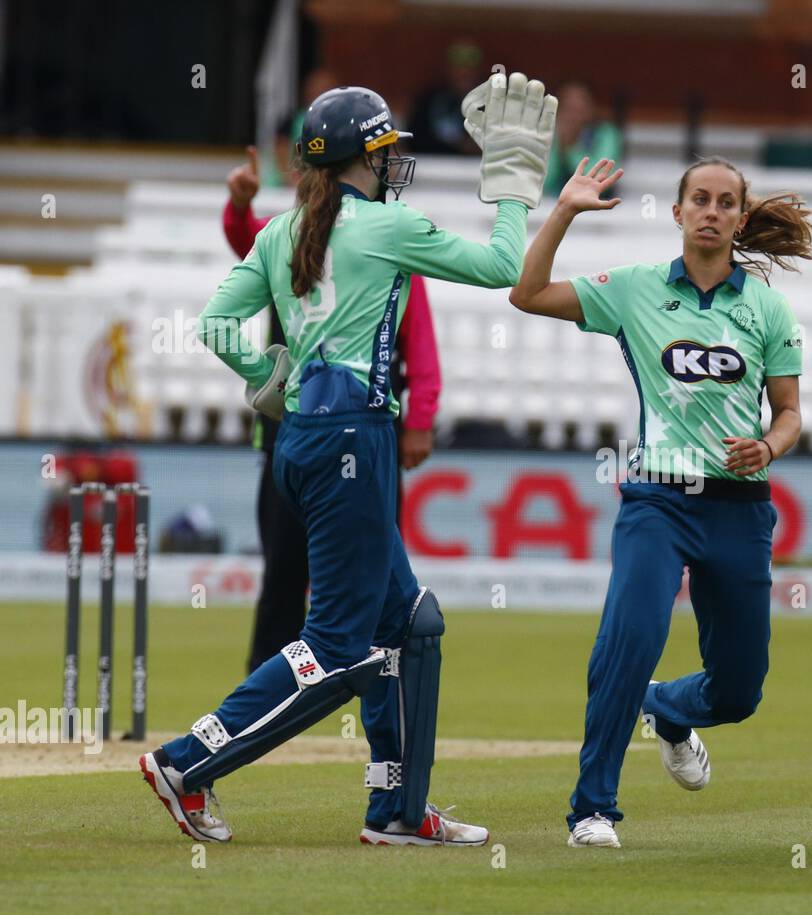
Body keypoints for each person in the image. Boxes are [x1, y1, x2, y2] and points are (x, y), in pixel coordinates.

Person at [140, 74, 557, 846]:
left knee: (411, 622)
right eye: (385, 151)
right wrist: (511, 184)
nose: (393, 164)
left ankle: (397, 810)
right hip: (355, 436)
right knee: (337, 644)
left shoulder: (280, 230)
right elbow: (504, 267)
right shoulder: (383, 228)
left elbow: (215, 323)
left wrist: (274, 378)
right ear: (363, 159)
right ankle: (186, 762)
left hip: (304, 436)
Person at [509, 155, 812, 849]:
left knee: (739, 692)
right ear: (678, 213)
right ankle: (593, 808)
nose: (711, 211)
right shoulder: (637, 288)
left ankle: (666, 710)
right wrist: (564, 212)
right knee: (631, 638)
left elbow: (791, 412)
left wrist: (768, 445)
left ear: (740, 217)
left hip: (740, 508)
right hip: (658, 500)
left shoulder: (767, 308)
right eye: (698, 199)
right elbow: (526, 294)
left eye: (725, 202)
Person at [223, 145, 443, 672]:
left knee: (366, 581)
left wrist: (420, 419)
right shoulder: (292, 234)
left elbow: (420, 340)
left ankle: (338, 686)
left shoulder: (385, 247)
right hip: (321, 434)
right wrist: (237, 209)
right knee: (286, 575)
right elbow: (248, 240)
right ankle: (274, 700)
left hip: (338, 431)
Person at [542, 82, 621, 198]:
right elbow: (545, 183)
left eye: (579, 108)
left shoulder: (606, 133)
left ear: (591, 108)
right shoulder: (549, 132)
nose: (573, 116)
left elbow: (600, 179)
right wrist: (557, 143)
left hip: (596, 206)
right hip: (553, 204)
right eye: (568, 108)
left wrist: (570, 149)